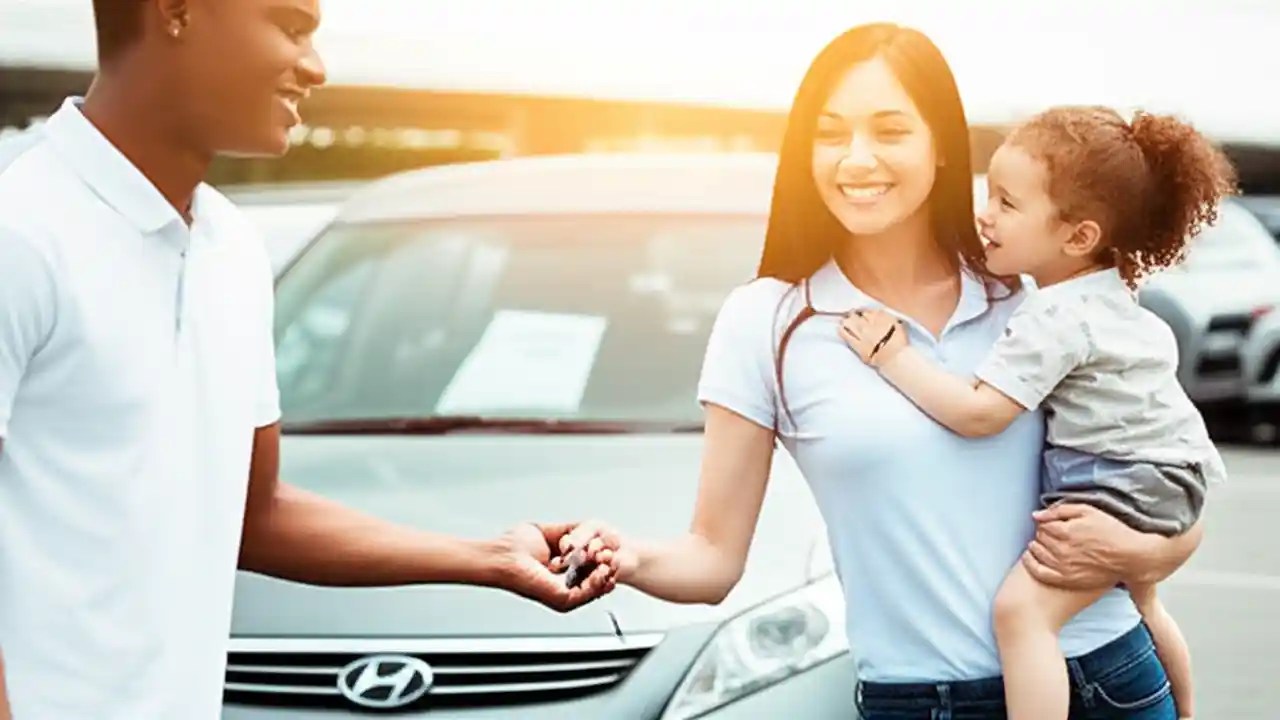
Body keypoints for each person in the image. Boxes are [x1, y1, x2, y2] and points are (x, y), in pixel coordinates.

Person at [559, 23, 1202, 720]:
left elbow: (1166, 472)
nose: (856, 158)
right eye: (831, 133)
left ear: (942, 149)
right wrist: (621, 555)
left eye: (890, 130)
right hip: (925, 702)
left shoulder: (1028, 292)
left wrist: (1148, 553)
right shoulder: (770, 322)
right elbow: (711, 560)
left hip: (1108, 677)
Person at [0, 1, 614, 718]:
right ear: (175, 11)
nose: (316, 66)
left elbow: (255, 513)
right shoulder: (21, 233)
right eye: (291, 27)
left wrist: (487, 558)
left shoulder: (230, 248)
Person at [841, 105, 1234, 720]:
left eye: (1007, 203)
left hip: (1116, 480)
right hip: (1172, 474)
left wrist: (894, 357)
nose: (985, 214)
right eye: (988, 193)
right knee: (1145, 605)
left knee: (1022, 614)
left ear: (1078, 237)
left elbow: (979, 413)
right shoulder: (1114, 298)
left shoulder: (1053, 316)